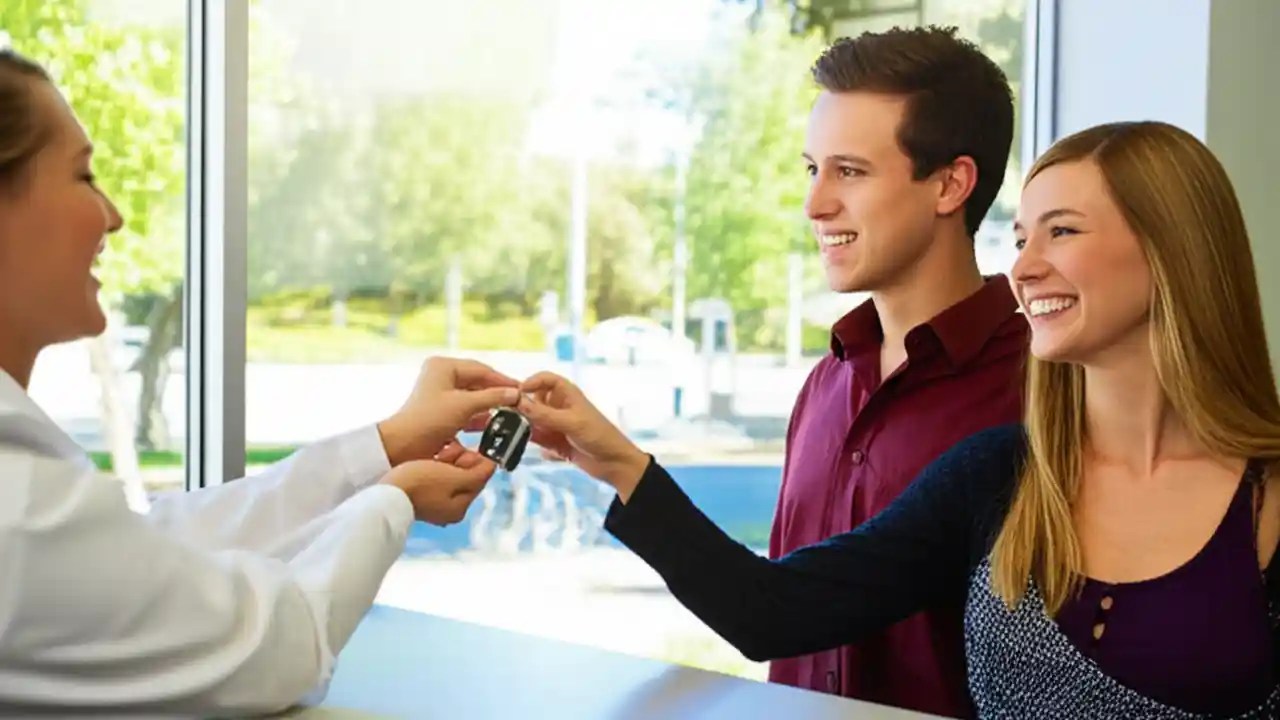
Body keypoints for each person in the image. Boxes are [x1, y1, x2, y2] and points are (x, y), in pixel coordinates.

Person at [517, 120, 1280, 718]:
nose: (1024, 265)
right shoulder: (996, 477)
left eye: (1063, 231)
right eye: (1020, 237)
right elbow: (773, 612)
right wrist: (618, 463)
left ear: (1173, 252)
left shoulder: (1268, 497)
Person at [0, 49, 517, 715]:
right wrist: (394, 502)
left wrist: (385, 447)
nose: (112, 215)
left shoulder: (32, 508)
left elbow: (153, 552)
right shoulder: (18, 514)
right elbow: (280, 648)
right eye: (82, 176)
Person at [769, 26, 1024, 716]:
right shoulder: (824, 385)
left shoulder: (1046, 393)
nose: (815, 204)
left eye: (848, 171)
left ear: (950, 184)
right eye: (811, 169)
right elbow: (778, 610)